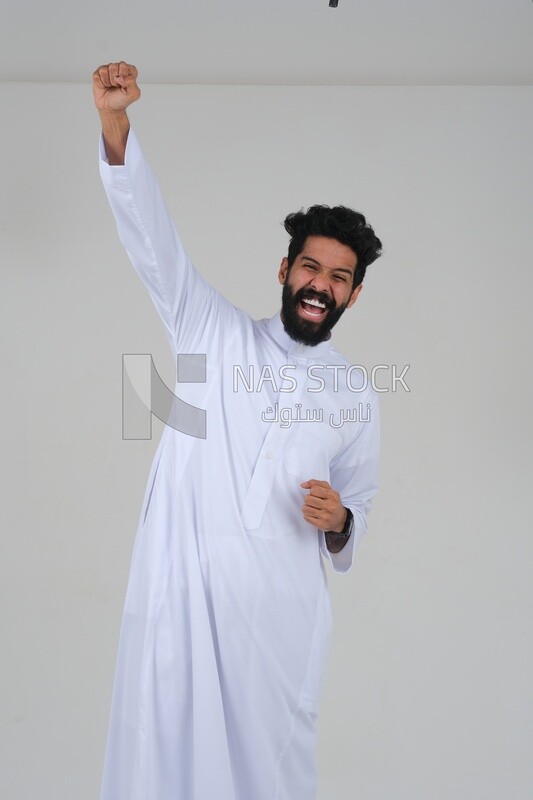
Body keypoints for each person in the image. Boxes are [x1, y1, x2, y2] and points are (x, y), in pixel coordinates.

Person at [93, 61, 382, 800]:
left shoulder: (353, 393)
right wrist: (117, 127)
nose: (321, 284)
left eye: (339, 276)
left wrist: (340, 521)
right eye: (310, 267)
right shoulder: (210, 332)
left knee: (269, 778)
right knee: (166, 765)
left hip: (275, 629)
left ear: (352, 293)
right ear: (285, 270)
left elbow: (361, 507)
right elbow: (153, 244)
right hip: (184, 608)